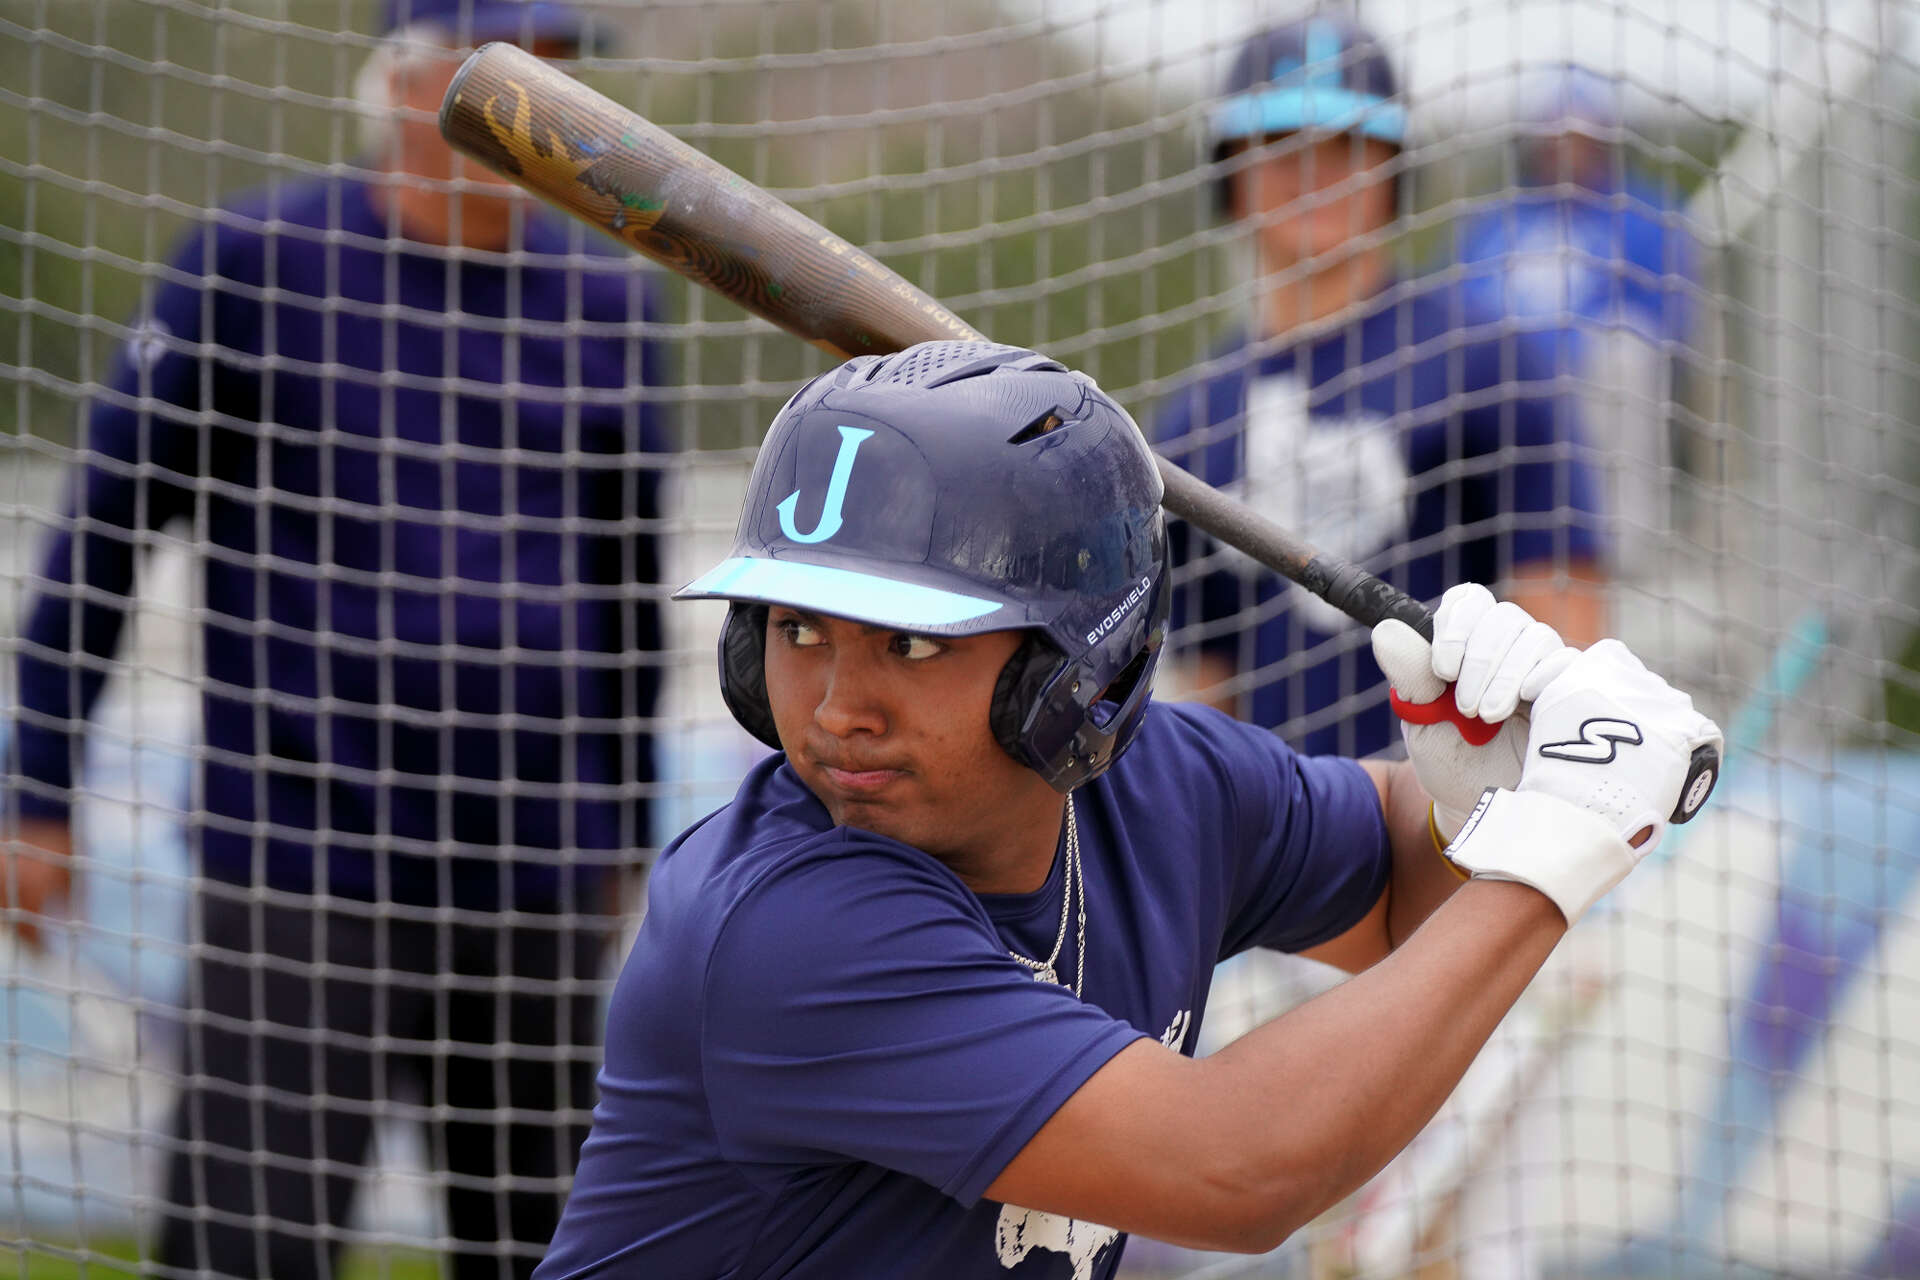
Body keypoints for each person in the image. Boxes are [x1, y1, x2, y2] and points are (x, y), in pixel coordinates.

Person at [532, 339, 1721, 1279]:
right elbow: (1238, 1171)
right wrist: (1550, 849)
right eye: (795, 630)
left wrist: (1480, 802)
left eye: (907, 638)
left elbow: (1400, 890)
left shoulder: (1164, 784)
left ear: (1076, 667)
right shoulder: (789, 926)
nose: (839, 706)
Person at [3, 1, 671, 1276]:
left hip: (533, 870)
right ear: (425, 90)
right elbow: (102, 533)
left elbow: (624, 592)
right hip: (303, 859)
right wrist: (38, 786)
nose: (565, 123)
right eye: (536, 87)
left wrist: (622, 830)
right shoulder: (256, 267)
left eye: (575, 87)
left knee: (554, 1250)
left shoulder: (607, 306)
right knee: (249, 1245)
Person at [1155, 14, 1609, 760]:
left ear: (1394, 169)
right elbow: (1209, 688)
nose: (1312, 175)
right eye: (1279, 146)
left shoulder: (1487, 365)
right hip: (1284, 842)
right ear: (1228, 171)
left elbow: (1570, 630)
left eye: (1345, 147)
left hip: (1468, 826)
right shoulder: (1194, 420)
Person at [1450, 62, 1701, 570]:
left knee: (1623, 356)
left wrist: (1570, 347)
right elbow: (1455, 310)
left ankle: (1623, 555)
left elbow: (1667, 323)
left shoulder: (1646, 217)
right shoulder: (1498, 223)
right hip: (1509, 381)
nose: (1568, 151)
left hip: (1594, 382)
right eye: (1557, 138)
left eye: (1581, 138)